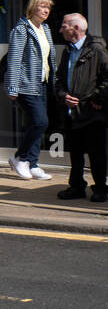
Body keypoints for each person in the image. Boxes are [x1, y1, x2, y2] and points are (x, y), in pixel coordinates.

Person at [53, 13, 108, 202]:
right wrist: (63, 96)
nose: (61, 30)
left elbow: (106, 78)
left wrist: (97, 99)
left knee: (96, 153)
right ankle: (76, 187)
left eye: (64, 26)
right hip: (72, 112)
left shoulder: (96, 49)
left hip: (92, 112)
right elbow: (59, 80)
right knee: (75, 152)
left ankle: (101, 188)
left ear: (75, 29)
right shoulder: (68, 50)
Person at [5, 0, 55, 181]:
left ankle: (32, 164)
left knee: (37, 124)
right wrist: (12, 87)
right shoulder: (21, 30)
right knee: (41, 121)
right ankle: (20, 157)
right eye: (42, 7)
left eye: (48, 8)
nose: (46, 11)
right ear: (33, 8)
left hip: (42, 83)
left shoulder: (46, 29)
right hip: (26, 84)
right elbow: (14, 59)